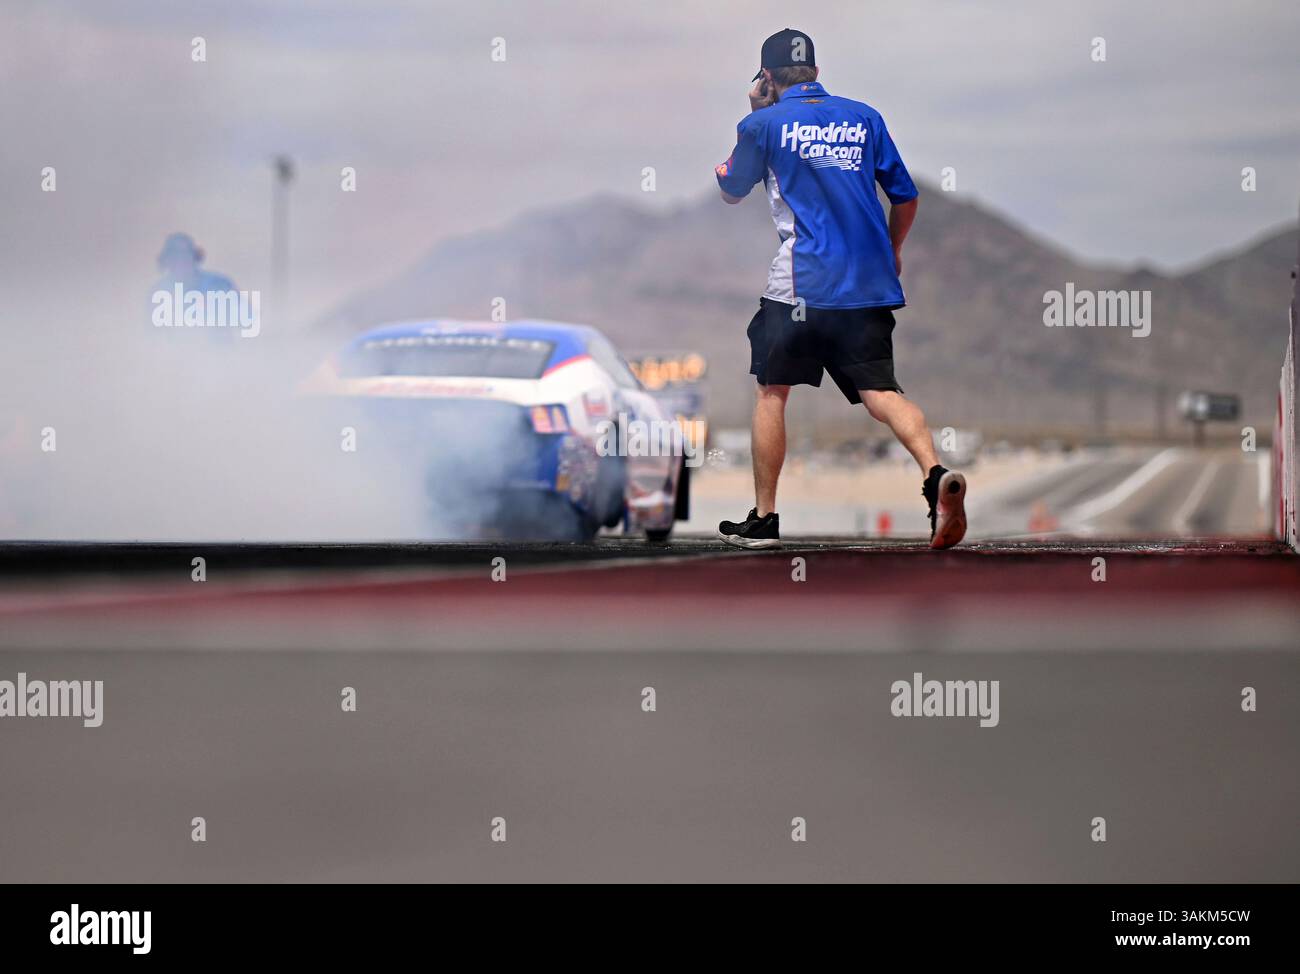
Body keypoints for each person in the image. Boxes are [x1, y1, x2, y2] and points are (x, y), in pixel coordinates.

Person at [714, 28, 967, 550]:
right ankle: (935, 473)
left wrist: (753, 110)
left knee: (771, 390)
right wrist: (893, 251)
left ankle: (764, 519)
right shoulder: (865, 117)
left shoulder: (761, 123)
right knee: (882, 393)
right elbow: (906, 196)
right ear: (816, 73)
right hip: (867, 285)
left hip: (799, 287)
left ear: (767, 77)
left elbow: (731, 189)